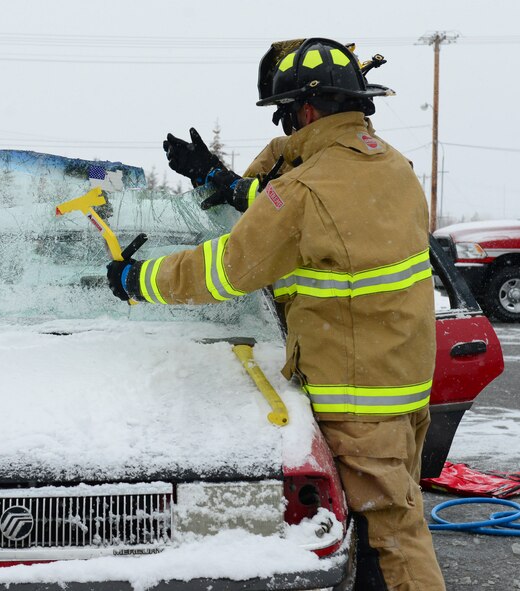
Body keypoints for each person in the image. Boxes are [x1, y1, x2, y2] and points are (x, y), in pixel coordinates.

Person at [105, 38, 445, 591]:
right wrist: (223, 182)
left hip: (355, 405)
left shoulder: (305, 191)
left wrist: (137, 278)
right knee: (390, 534)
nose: (285, 129)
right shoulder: (392, 167)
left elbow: (227, 270)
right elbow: (305, 204)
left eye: (287, 116)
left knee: (397, 545)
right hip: (404, 391)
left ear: (307, 110)